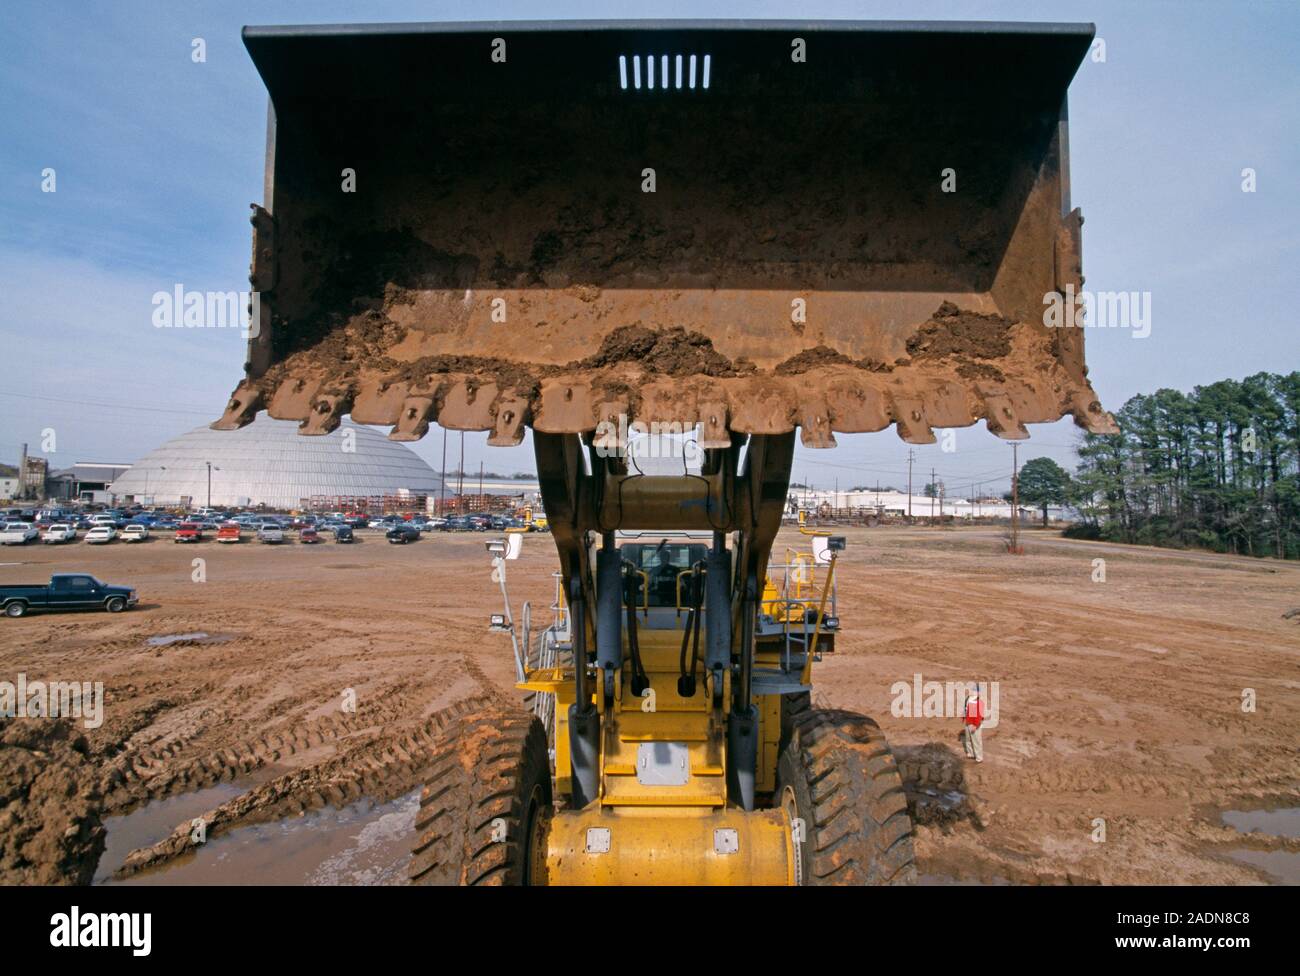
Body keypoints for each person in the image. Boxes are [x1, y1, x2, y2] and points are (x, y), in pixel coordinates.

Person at [962, 684, 985, 763]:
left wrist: (975, 725)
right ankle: (970, 753)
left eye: (975, 691)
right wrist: (963, 717)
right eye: (972, 690)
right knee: (968, 739)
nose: (973, 692)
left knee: (976, 741)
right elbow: (965, 708)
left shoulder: (979, 702)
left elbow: (979, 716)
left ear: (978, 693)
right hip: (968, 722)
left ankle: (979, 758)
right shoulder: (968, 699)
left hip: (975, 724)